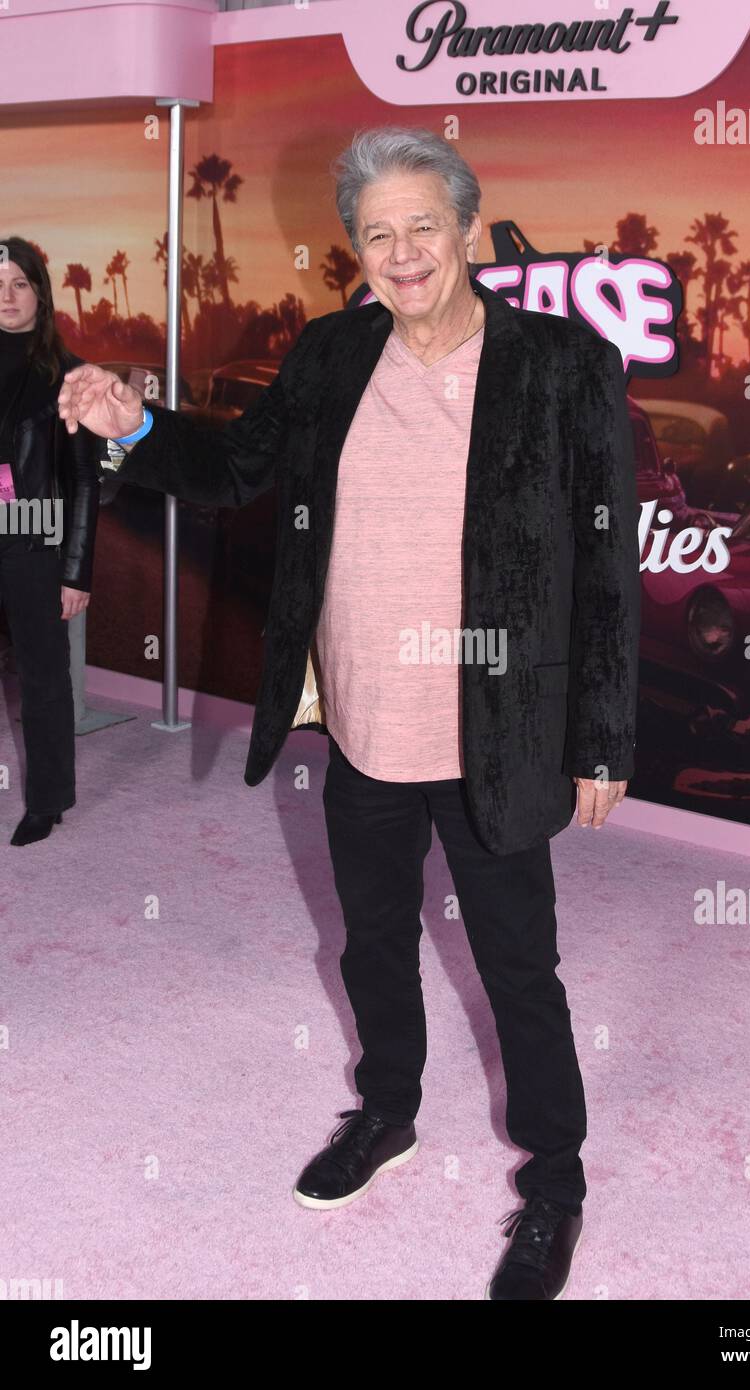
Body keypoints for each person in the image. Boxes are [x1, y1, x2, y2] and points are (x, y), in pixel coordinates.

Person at [58, 126, 641, 1300]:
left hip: (501, 730)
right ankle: (388, 1110)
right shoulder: (330, 355)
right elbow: (231, 470)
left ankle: (557, 1181)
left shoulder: (565, 366)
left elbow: (605, 564)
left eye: (424, 224)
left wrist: (603, 736)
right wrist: (131, 425)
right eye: (377, 233)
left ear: (472, 230)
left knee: (519, 965)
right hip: (365, 721)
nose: (403, 250)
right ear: (355, 255)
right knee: (371, 937)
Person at [0, 237, 101, 846]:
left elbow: (84, 479)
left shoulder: (71, 375)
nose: (7, 298)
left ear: (39, 290)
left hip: (31, 529)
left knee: (42, 673)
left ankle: (48, 798)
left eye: (18, 283)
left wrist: (76, 571)